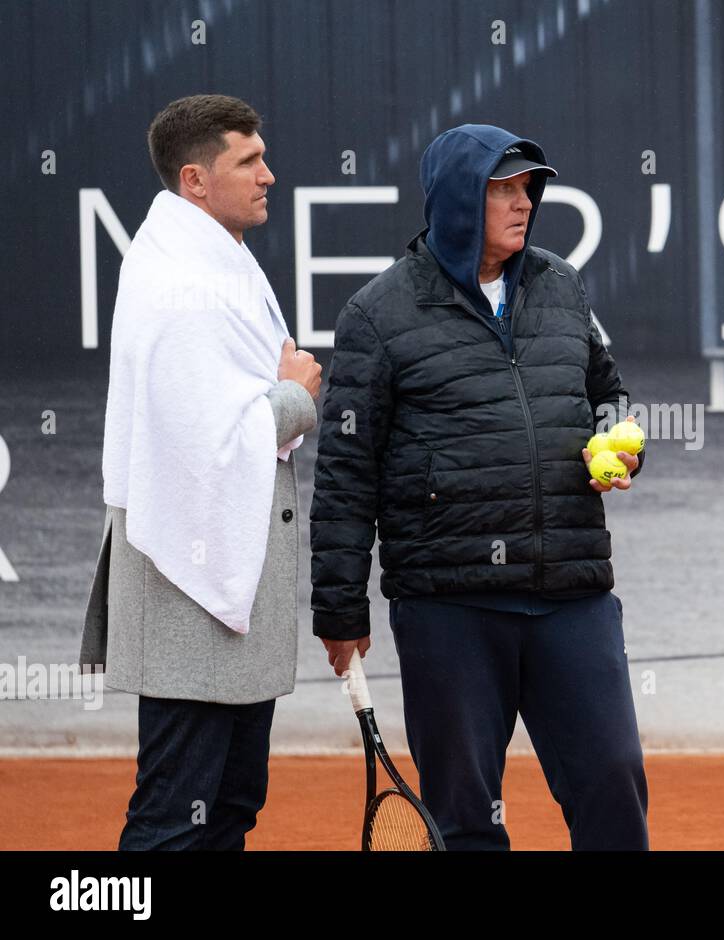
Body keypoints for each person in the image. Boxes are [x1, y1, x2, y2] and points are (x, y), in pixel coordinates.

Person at [310, 124, 649, 850]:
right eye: (504, 189)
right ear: (459, 200)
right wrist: (339, 605)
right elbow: (345, 470)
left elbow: (609, 394)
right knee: (465, 819)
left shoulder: (561, 285)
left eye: (528, 188)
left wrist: (620, 441)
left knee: (614, 780)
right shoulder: (377, 314)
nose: (523, 202)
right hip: (450, 606)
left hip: (572, 592)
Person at [80, 94, 321, 850]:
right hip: (189, 596)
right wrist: (295, 397)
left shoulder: (206, 264)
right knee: (172, 821)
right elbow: (200, 443)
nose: (268, 175)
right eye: (248, 162)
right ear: (195, 179)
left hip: (220, 591)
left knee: (226, 809)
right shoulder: (180, 286)